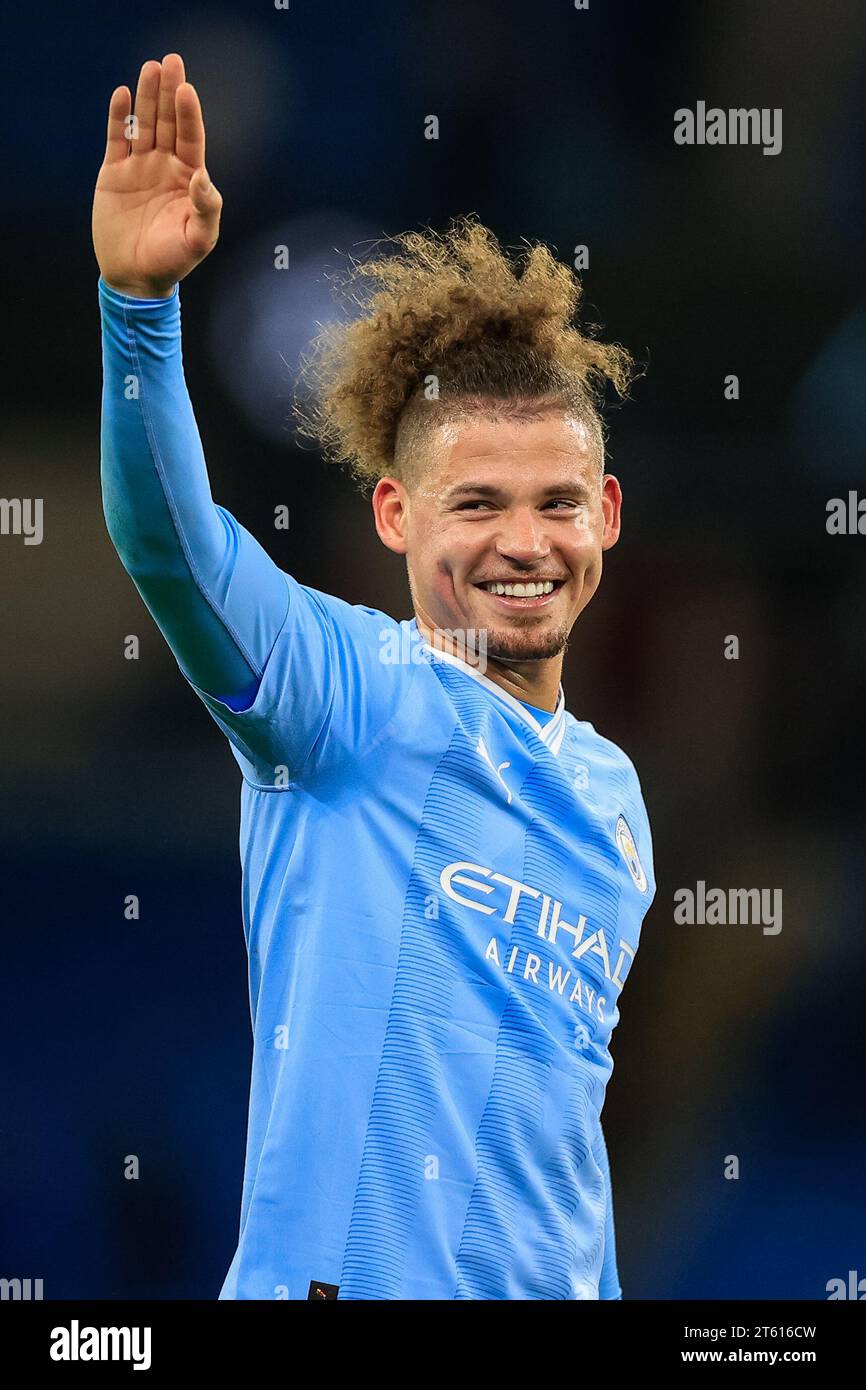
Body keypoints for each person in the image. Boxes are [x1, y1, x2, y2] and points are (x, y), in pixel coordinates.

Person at [93, 52, 656, 1301]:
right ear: (396, 514)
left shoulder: (616, 799)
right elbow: (169, 544)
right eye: (477, 504)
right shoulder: (348, 690)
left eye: (556, 501)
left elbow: (558, 1140)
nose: (524, 542)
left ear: (605, 513)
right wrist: (139, 307)